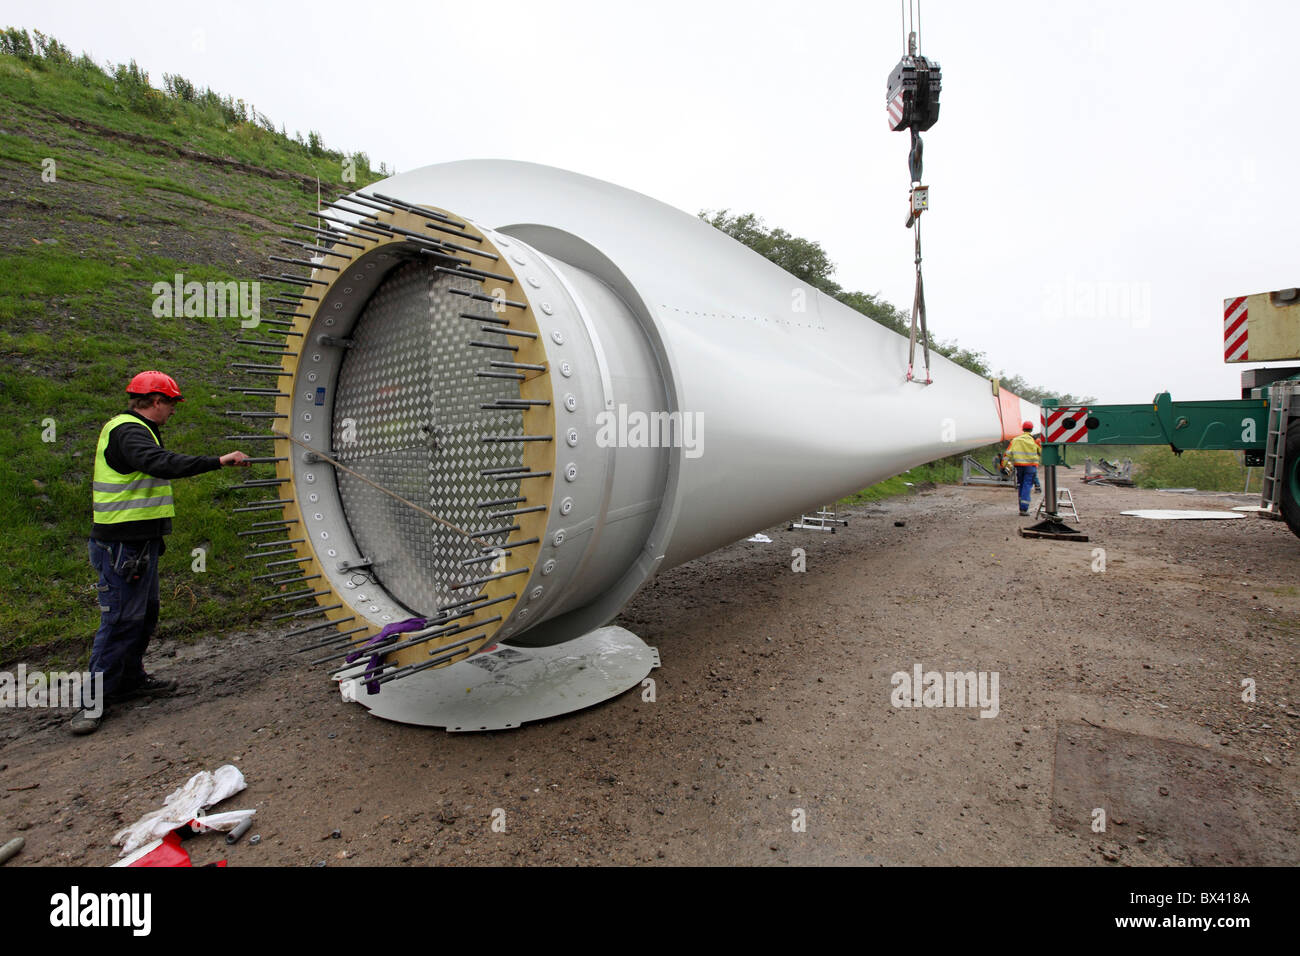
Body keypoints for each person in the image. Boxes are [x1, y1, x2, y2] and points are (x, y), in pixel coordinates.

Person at [69, 371, 250, 735]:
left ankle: (130, 680)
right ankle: (92, 703)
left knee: (143, 615)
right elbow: (159, 463)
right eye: (171, 404)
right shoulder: (128, 431)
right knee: (120, 620)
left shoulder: (136, 429)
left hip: (138, 544)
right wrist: (217, 461)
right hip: (121, 545)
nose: (172, 412)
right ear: (155, 401)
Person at [1005, 421, 1041, 517]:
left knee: (1021, 485)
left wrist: (1003, 465)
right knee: (1027, 486)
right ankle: (1024, 508)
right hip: (1031, 466)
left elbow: (1007, 453)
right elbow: (1041, 452)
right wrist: (1039, 444)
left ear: (1022, 429)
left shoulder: (1015, 440)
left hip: (1019, 466)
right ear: (1032, 430)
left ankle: (1021, 507)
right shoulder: (1033, 441)